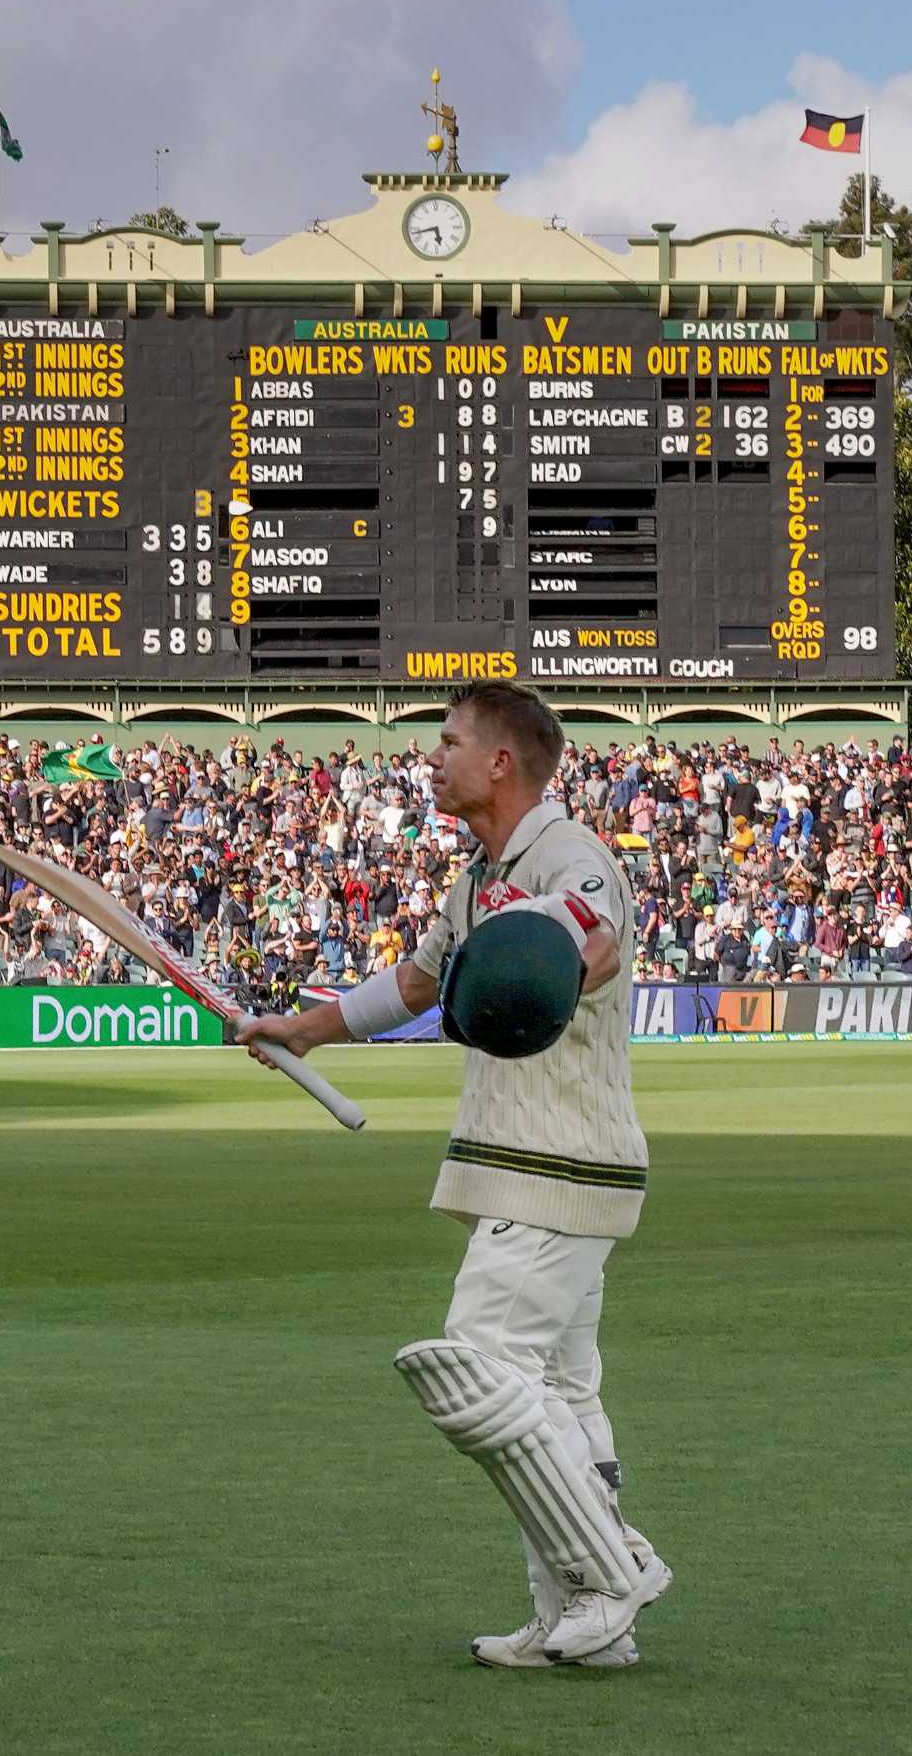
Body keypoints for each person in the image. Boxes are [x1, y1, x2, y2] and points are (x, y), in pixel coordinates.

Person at [238, 681, 668, 1669]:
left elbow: (588, 940)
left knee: (477, 1369)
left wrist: (554, 948)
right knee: (560, 1391)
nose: (432, 758)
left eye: (449, 742)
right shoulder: (480, 873)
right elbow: (421, 979)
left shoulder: (569, 858)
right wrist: (296, 1029)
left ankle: (612, 1570)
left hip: (558, 1163)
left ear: (501, 762)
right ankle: (576, 1622)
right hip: (531, 1165)